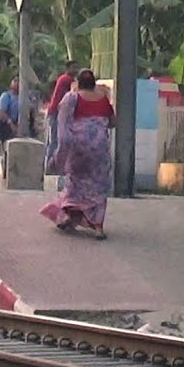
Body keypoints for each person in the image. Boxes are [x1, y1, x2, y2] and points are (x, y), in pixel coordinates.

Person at [39, 69, 115, 240]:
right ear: (94, 83)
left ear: (78, 83)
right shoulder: (103, 99)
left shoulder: (71, 98)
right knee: (98, 188)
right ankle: (98, 227)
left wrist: (58, 158)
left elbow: (64, 133)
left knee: (75, 185)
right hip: (100, 152)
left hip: (78, 151)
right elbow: (112, 122)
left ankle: (67, 216)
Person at [45, 60, 79, 173]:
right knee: (56, 140)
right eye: (74, 68)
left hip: (56, 112)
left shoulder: (63, 79)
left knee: (54, 140)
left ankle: (51, 166)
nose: (76, 70)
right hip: (56, 112)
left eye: (77, 68)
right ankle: (51, 167)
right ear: (68, 68)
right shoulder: (67, 80)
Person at [0, 78, 20, 176]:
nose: (17, 84)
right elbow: (1, 112)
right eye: (15, 81)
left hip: (18, 125)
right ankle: (6, 173)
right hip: (7, 125)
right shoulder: (6, 96)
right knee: (7, 151)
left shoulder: (23, 97)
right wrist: (11, 124)